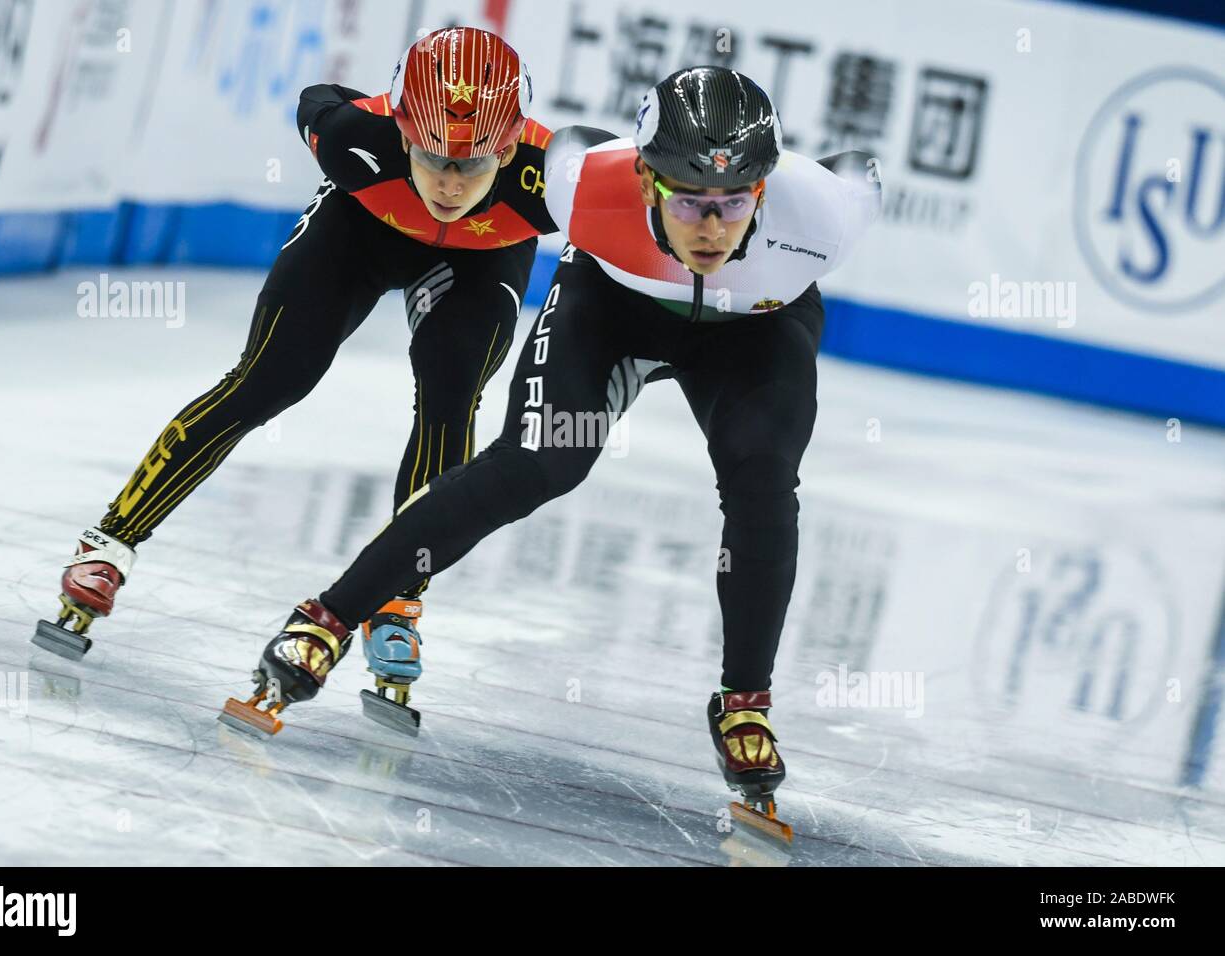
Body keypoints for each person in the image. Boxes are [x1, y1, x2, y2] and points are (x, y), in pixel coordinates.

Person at [221, 67, 880, 837]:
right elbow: (561, 147)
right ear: (643, 180)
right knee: (534, 465)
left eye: (734, 205)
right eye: (689, 201)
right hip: (617, 307)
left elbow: (861, 167)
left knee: (764, 483)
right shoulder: (585, 190)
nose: (712, 227)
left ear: (763, 194)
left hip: (758, 328)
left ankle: (746, 703)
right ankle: (329, 618)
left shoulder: (825, 218)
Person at [32, 26, 556, 662]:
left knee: (452, 397)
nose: (449, 183)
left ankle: (396, 598)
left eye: (471, 164)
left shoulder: (557, 177)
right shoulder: (351, 137)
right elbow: (320, 97)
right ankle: (111, 540)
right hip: (360, 233)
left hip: (483, 261)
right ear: (400, 133)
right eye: (430, 156)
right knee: (270, 378)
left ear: (507, 152)